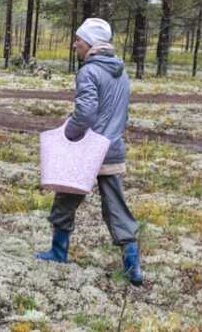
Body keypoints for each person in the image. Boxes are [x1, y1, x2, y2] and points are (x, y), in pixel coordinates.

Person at [35, 18, 143, 286]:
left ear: (92, 45)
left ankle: (58, 252)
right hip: (112, 148)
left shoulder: (88, 72)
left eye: (78, 40)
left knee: (65, 198)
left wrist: (69, 135)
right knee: (116, 205)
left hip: (88, 150)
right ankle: (132, 265)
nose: (75, 45)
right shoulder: (122, 71)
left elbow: (85, 113)